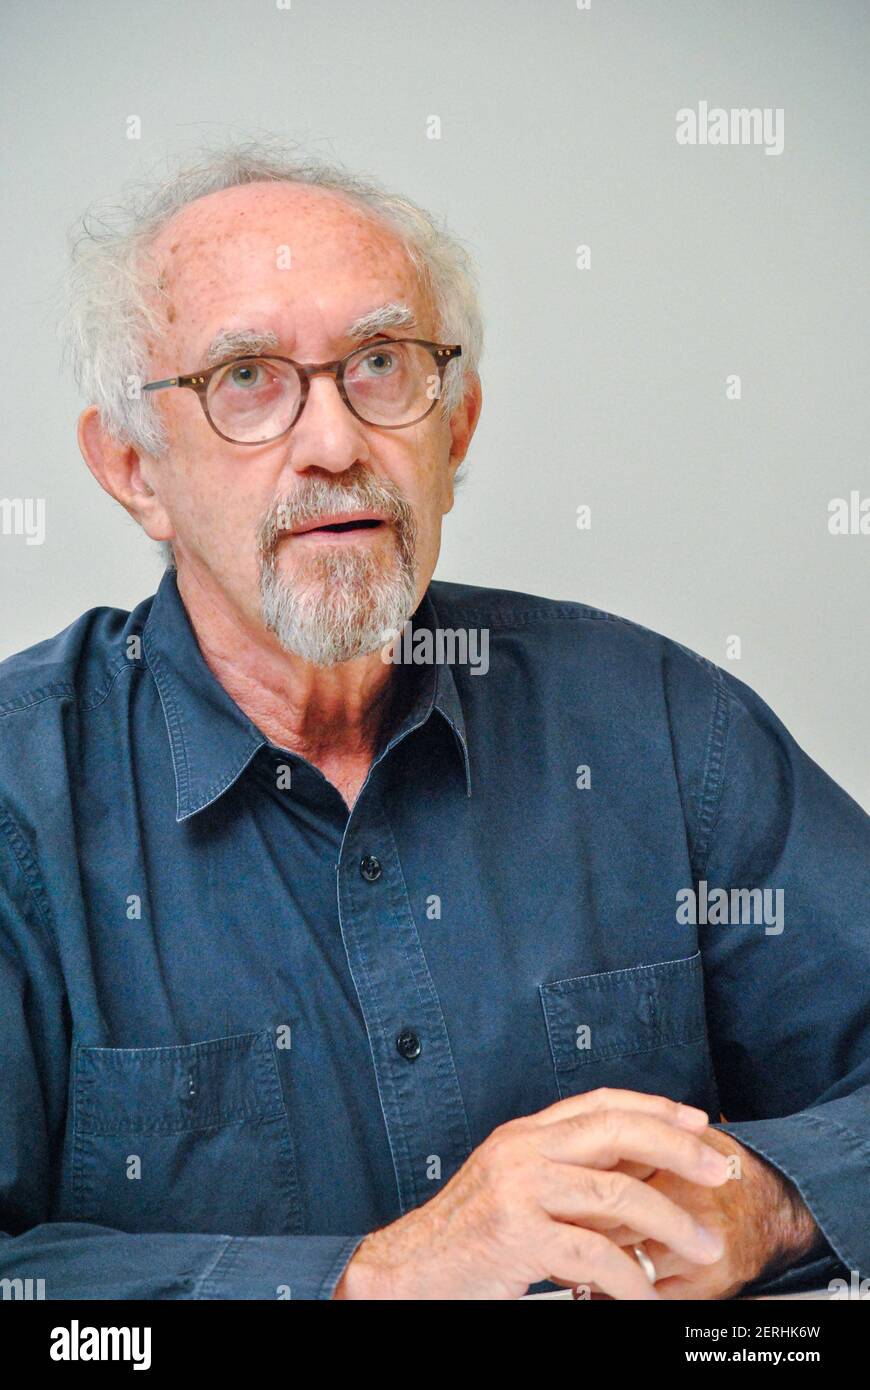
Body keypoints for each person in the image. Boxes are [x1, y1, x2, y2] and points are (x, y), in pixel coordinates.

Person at [0, 142, 867, 1300]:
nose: (334, 441)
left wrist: (772, 1198)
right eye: (246, 377)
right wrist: (374, 1278)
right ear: (133, 468)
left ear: (453, 432)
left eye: (379, 362)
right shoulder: (20, 796)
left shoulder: (660, 725)